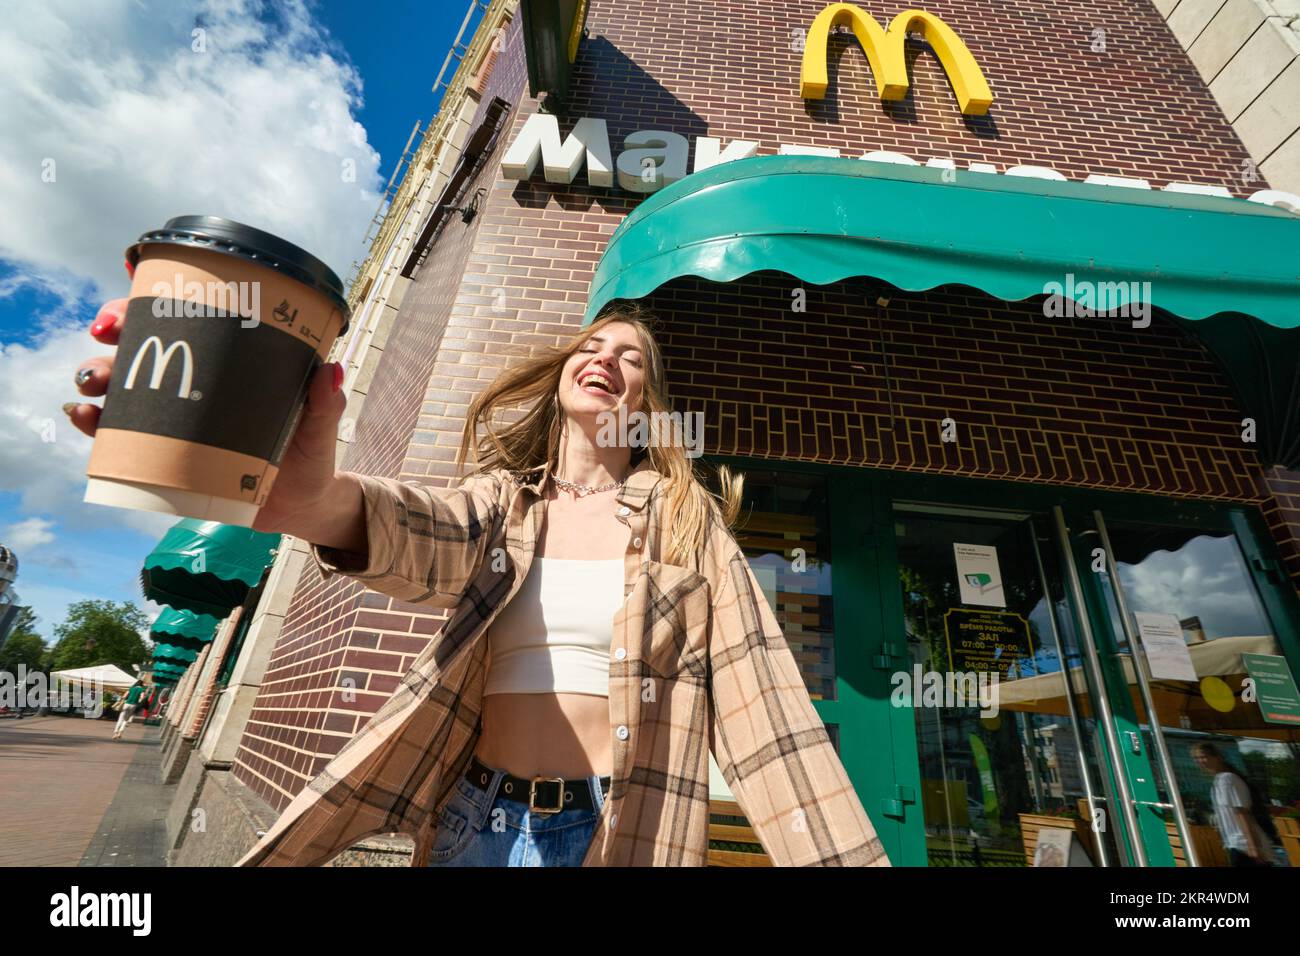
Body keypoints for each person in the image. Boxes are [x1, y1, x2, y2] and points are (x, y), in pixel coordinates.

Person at [67, 296, 889, 867]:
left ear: (648, 400)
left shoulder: (683, 520)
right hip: (475, 821)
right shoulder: (503, 506)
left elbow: (767, 712)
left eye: (630, 358)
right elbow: (418, 531)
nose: (604, 358)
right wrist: (313, 502)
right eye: (591, 346)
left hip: (621, 827)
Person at [1191, 741, 1281, 866]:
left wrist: (1252, 845)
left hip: (1244, 844)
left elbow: (1242, 812)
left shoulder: (1228, 779)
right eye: (1197, 758)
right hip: (1236, 844)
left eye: (1203, 756)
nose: (1200, 761)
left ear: (1217, 757)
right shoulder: (1218, 781)